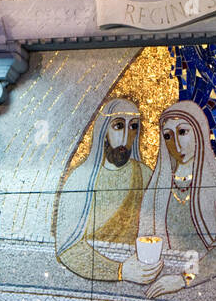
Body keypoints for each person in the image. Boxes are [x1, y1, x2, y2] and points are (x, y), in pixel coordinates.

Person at [137, 101, 216, 298]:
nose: (176, 144)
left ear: (199, 133)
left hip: (212, 285)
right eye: (168, 136)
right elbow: (145, 240)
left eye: (183, 132)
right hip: (163, 286)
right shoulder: (156, 188)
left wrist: (184, 278)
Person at [53, 99, 156, 282]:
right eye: (118, 126)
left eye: (133, 127)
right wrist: (119, 271)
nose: (125, 138)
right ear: (103, 131)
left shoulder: (145, 175)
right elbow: (67, 246)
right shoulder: (81, 179)